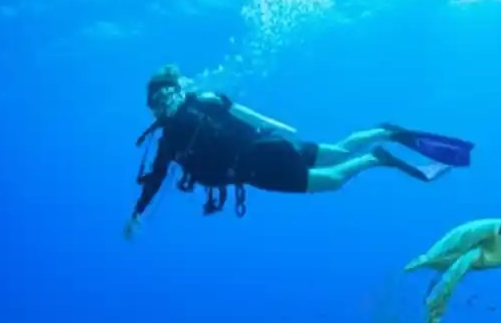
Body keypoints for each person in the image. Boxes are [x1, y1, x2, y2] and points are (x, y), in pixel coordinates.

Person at [124, 64, 474, 237]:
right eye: (155, 102)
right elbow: (156, 178)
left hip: (259, 166)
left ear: (172, 94)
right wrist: (139, 210)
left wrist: (137, 214)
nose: (161, 106)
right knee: (336, 150)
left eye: (162, 98)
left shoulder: (171, 137)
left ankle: (376, 157)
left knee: (334, 179)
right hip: (269, 144)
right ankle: (383, 131)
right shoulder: (202, 107)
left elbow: (155, 179)